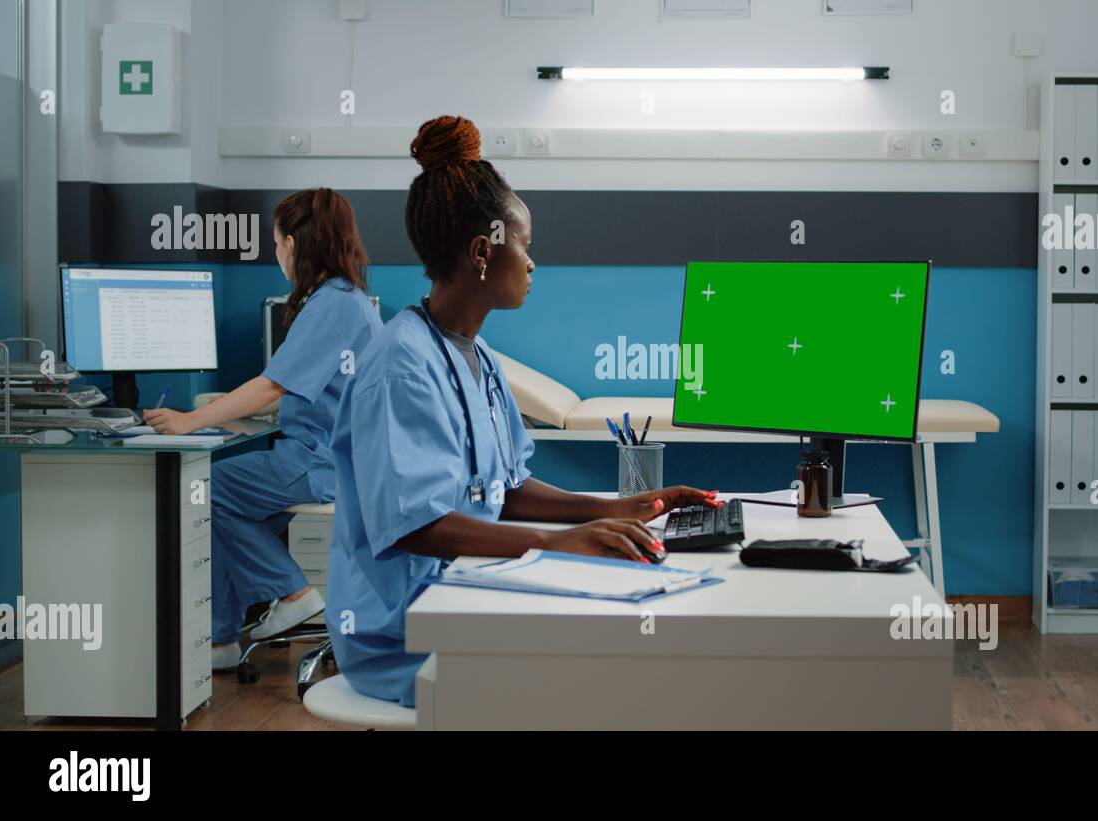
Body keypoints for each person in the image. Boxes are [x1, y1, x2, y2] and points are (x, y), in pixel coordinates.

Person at [325, 115, 720, 706]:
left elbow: (502, 491)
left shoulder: (477, 356)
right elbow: (418, 525)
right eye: (526, 246)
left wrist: (619, 507)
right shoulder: (400, 365)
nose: (533, 264)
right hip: (409, 630)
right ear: (484, 252)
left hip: (469, 591)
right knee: (611, 676)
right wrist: (561, 542)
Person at [145, 188, 383, 671]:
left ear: (293, 244)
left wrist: (190, 421)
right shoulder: (346, 298)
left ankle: (293, 593)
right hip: (334, 455)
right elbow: (299, 388)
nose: (277, 253)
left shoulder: (332, 303)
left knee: (204, 490)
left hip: (323, 460)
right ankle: (220, 643)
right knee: (233, 510)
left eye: (275, 243)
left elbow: (273, 386)